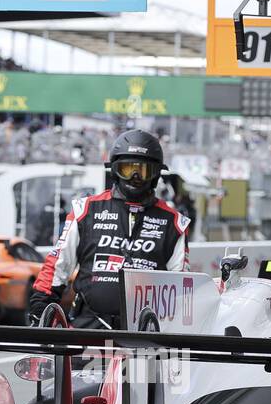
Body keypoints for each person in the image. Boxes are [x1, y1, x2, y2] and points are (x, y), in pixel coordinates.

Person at [29, 129, 189, 330]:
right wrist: (40, 308)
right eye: (128, 169)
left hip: (145, 335)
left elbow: (183, 288)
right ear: (115, 170)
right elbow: (57, 266)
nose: (136, 177)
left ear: (156, 174)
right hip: (87, 329)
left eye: (144, 170)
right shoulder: (85, 210)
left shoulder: (174, 222)